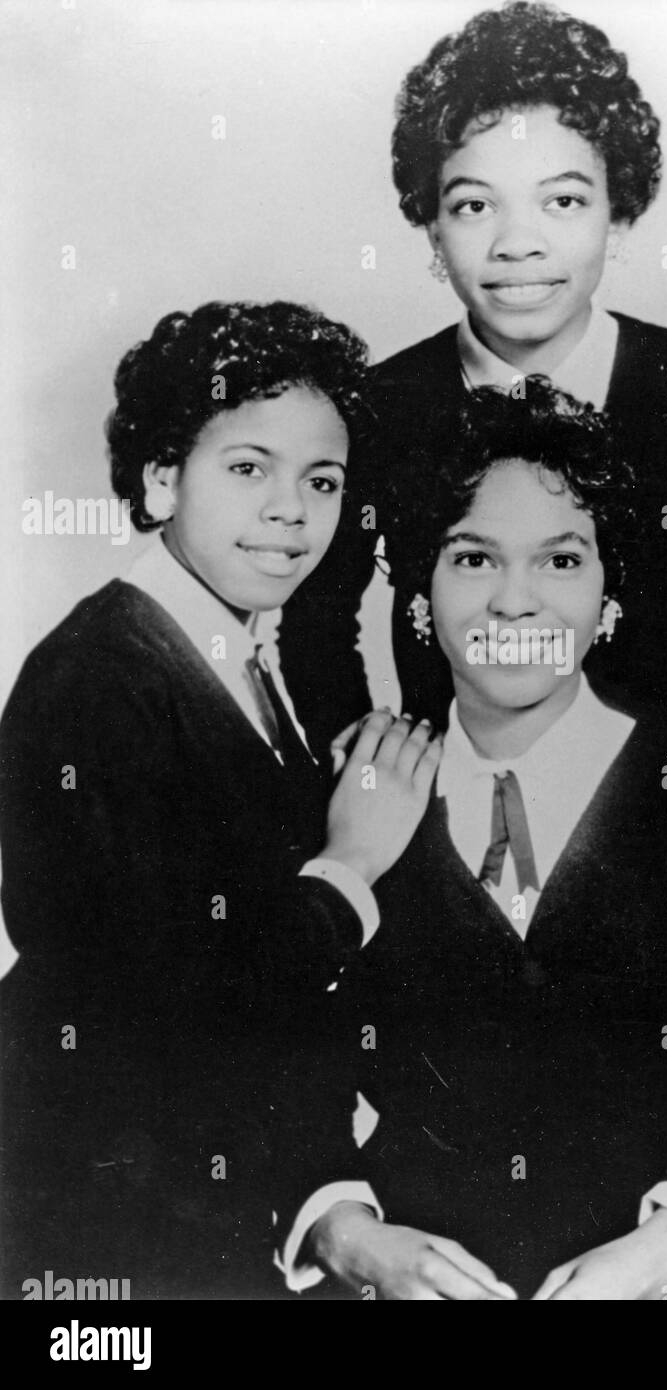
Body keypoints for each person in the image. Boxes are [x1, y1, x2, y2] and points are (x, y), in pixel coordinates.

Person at [275, 379, 667, 1301]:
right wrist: (343, 1232)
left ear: (608, 594)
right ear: (420, 597)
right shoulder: (358, 787)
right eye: (472, 558)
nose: (514, 603)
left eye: (559, 562)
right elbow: (271, 1058)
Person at [0, 301, 443, 1299]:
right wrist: (351, 864)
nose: (291, 509)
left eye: (320, 480)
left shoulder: (236, 652)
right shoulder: (96, 675)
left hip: (206, 1206)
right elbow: (157, 1005)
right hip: (103, 1229)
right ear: (161, 479)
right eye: (247, 467)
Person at [280, 0, 667, 747]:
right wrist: (364, 760)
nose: (518, 242)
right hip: (444, 814)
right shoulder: (378, 405)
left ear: (617, 217)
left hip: (656, 814)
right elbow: (316, 618)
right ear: (430, 227)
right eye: (473, 205)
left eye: (562, 201)